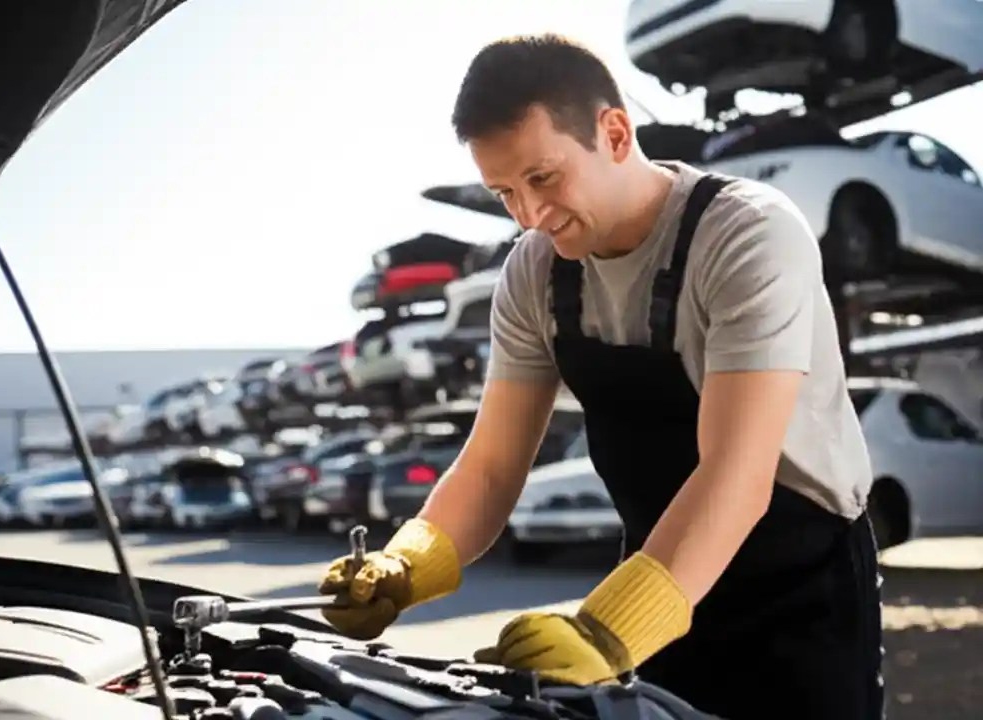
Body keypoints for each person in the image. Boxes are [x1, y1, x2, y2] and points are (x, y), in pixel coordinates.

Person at [316, 34, 883, 720]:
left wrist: (608, 631)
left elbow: (738, 472)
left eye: (544, 179)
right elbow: (493, 467)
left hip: (800, 590)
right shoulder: (534, 273)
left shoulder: (747, 235)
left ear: (614, 132)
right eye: (505, 193)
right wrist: (406, 567)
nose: (529, 214)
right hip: (658, 572)